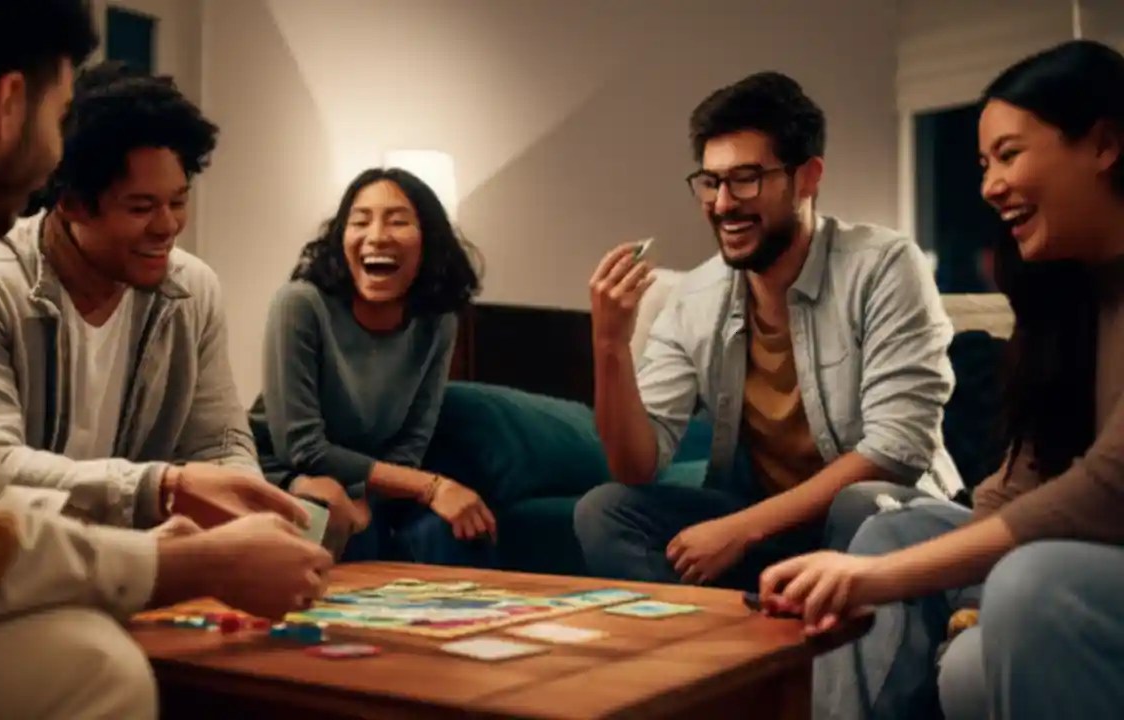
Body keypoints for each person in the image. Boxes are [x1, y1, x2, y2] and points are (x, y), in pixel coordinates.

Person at [0, 2, 330, 717]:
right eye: (58, 112)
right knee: (94, 666)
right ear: (10, 102)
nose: (53, 151)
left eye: (178, 201)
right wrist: (185, 560)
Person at [759, 40, 1124, 720]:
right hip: (1075, 555)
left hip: (1079, 565)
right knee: (893, 525)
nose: (989, 186)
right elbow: (1020, 487)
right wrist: (901, 563)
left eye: (1010, 155)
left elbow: (1107, 491)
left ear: (1104, 145)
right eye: (985, 164)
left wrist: (878, 578)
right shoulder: (1067, 298)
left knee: (1028, 584)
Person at [575, 71, 961, 591]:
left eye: (746, 179)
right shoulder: (693, 298)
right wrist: (610, 345)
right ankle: (716, 664)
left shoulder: (884, 265)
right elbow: (635, 467)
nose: (723, 203)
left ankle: (803, 663)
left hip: (881, 526)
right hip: (765, 526)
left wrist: (740, 530)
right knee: (606, 511)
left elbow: (897, 451)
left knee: (858, 505)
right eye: (711, 182)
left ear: (807, 177)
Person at [0, 61, 361, 541]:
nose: (167, 226)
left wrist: (258, 519)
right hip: (11, 562)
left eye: (179, 201)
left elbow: (219, 447)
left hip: (141, 564)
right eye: (141, 207)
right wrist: (161, 486)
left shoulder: (191, 290)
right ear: (71, 203)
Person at [252, 167, 494, 565]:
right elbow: (301, 446)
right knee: (330, 514)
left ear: (428, 242)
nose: (377, 236)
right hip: (281, 469)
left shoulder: (438, 320)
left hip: (367, 481)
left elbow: (413, 441)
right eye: (360, 221)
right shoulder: (299, 304)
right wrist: (432, 487)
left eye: (398, 221)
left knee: (460, 530)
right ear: (342, 237)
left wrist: (368, 497)